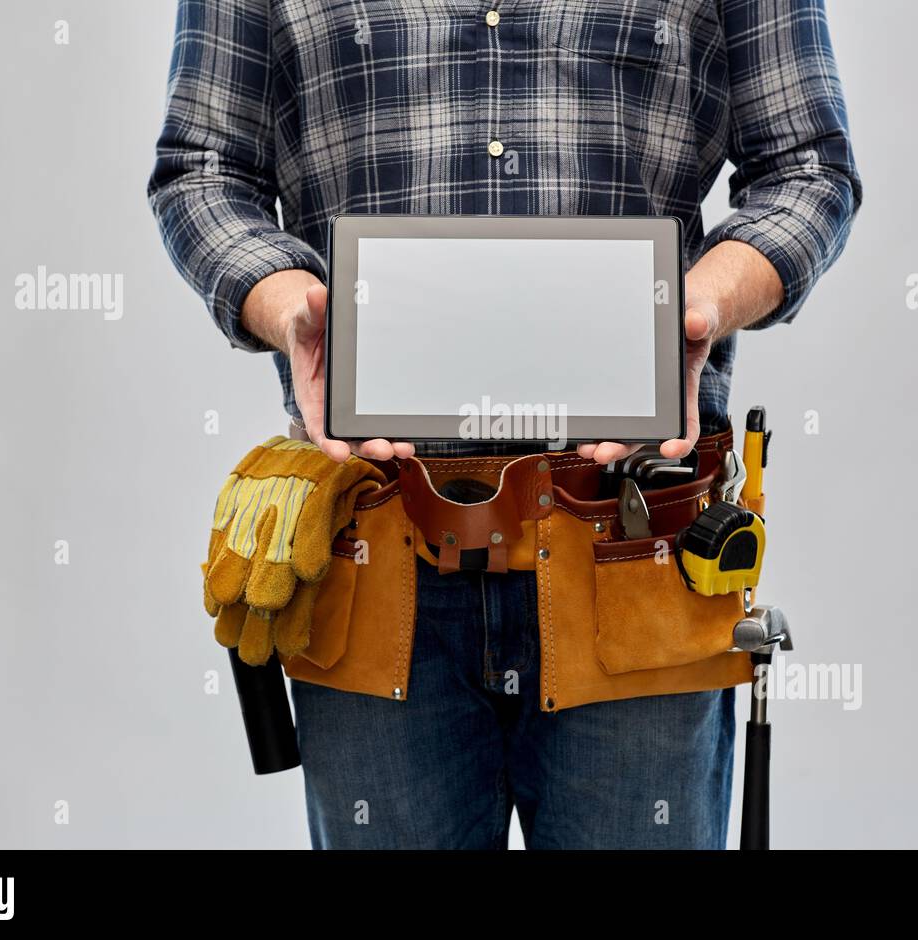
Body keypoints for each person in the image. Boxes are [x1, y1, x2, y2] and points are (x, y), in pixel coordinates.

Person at [149, 0, 861, 849]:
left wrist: (701, 300)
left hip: (631, 543)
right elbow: (200, 169)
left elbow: (809, 167)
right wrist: (284, 304)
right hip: (376, 550)